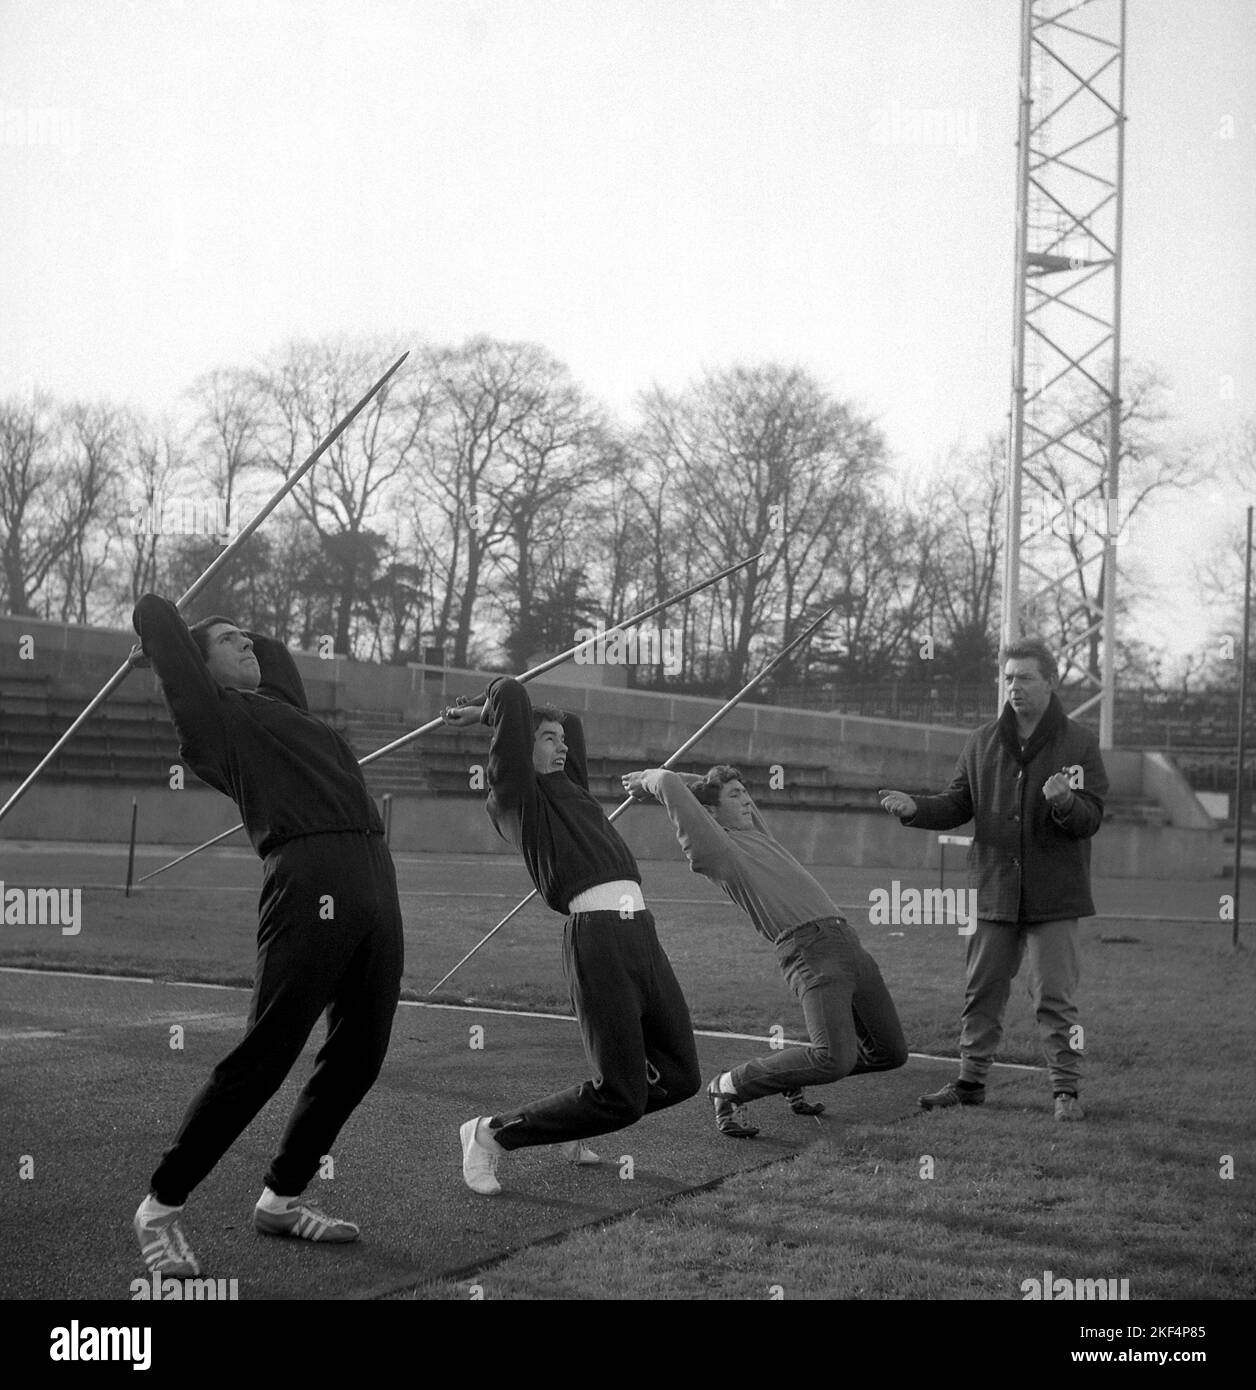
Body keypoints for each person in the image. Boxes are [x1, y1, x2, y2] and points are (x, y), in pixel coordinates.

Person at [128, 594, 404, 1275]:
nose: (246, 643)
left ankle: (281, 1199)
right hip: (310, 877)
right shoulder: (213, 723)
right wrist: (163, 638)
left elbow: (272, 652)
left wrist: (228, 635)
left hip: (373, 874)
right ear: (198, 669)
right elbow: (155, 613)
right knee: (269, 1052)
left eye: (244, 635)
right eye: (227, 641)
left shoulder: (285, 709)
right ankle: (160, 1206)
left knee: (360, 1054)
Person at [442, 677, 701, 1195]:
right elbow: (511, 693)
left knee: (680, 1076)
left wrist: (545, 724)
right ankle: (491, 1134)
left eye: (561, 740)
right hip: (597, 937)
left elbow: (572, 722)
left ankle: (574, 1121)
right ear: (518, 746)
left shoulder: (572, 788)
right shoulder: (514, 796)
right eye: (547, 739)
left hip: (640, 934)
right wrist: (487, 711)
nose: (562, 746)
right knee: (623, 1098)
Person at [878, 637, 1108, 1121]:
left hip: (1056, 898)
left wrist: (1066, 802)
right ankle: (969, 1084)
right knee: (981, 991)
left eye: (1024, 677)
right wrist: (917, 808)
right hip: (994, 893)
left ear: (1049, 682)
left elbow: (1091, 818)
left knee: (1054, 999)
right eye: (1008, 678)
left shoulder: (1080, 744)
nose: (1014, 687)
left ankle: (1065, 1092)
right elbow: (957, 803)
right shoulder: (981, 741)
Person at [622, 764, 908, 1138]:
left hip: (849, 945)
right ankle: (728, 1086)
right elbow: (669, 782)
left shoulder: (757, 833)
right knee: (833, 1059)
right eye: (736, 795)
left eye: (745, 792)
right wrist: (646, 780)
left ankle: (789, 1075)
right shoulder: (715, 849)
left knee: (890, 1052)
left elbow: (697, 789)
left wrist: (711, 786)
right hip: (811, 951)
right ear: (709, 812)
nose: (748, 800)